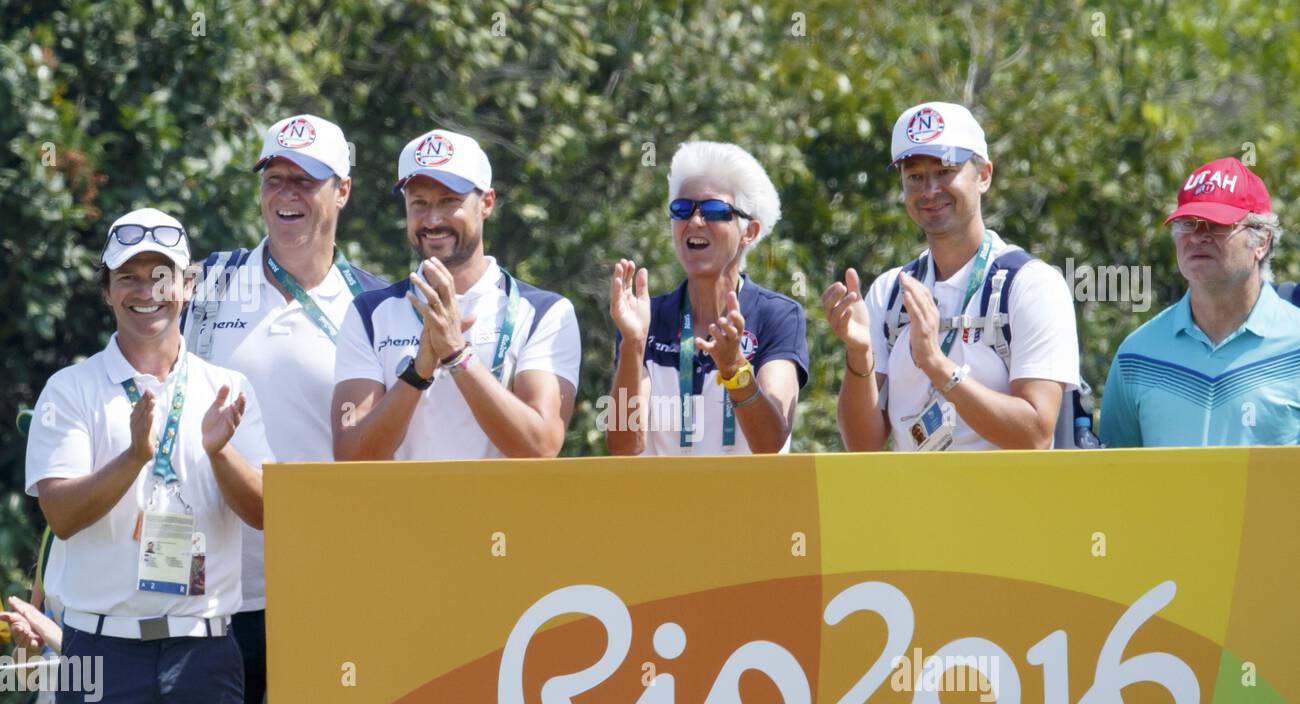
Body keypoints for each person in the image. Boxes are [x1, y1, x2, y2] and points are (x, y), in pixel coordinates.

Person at [25, 208, 273, 704]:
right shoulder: (72, 388)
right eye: (129, 277)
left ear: (188, 287)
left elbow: (267, 512)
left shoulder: (228, 389)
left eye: (161, 275)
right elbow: (61, 513)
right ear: (107, 290)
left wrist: (220, 453)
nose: (147, 292)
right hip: (101, 651)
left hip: (205, 650)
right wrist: (134, 457)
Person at [182, 114, 386, 704]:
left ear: (343, 192)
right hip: (209, 585)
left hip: (325, 585)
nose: (286, 194)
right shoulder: (205, 285)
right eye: (275, 179)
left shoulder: (378, 302)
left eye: (305, 180)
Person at [823, 102, 1080, 451]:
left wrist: (936, 364)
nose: (929, 191)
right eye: (914, 176)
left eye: (945, 171)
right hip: (913, 504)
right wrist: (858, 354)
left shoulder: (1033, 284)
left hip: (1008, 504)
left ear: (984, 175)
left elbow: (1035, 433)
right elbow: (862, 445)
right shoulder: (890, 291)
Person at [332, 129, 580, 460]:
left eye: (450, 201)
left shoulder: (545, 313)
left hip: (503, 513)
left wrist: (458, 355)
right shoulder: (369, 312)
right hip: (400, 514)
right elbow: (351, 455)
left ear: (487, 203)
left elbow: (540, 447)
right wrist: (417, 373)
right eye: (419, 203)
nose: (433, 220)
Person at [605, 141, 808, 455]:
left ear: (749, 232)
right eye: (682, 209)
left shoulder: (777, 315)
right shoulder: (646, 318)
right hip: (662, 505)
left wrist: (734, 368)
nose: (695, 221)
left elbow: (770, 443)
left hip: (749, 505)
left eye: (715, 211)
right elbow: (624, 447)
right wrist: (632, 343)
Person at [1100, 157, 1299, 446]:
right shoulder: (1136, 356)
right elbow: (1112, 480)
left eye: (1216, 225)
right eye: (1187, 224)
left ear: (1261, 242)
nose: (1197, 237)